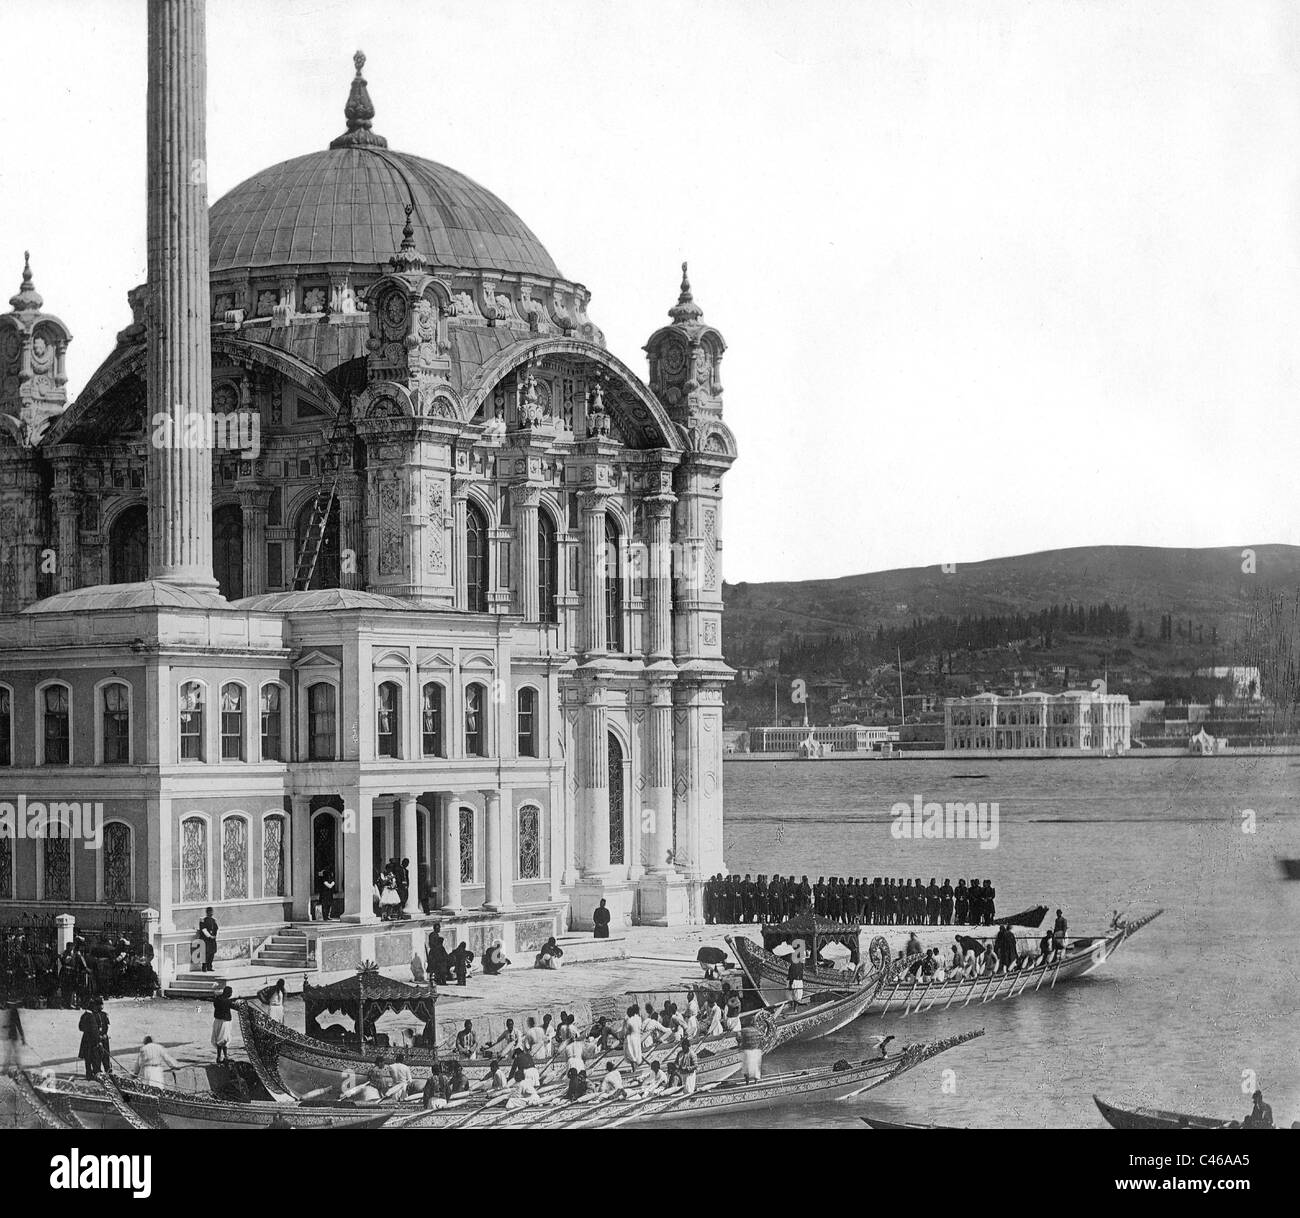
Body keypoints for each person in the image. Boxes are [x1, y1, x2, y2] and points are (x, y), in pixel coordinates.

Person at [77, 1001, 103, 1078]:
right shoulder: (91, 1016)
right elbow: (94, 1030)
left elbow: (80, 1027)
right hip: (92, 1041)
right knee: (95, 1057)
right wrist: (99, 1041)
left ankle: (88, 1074)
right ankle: (96, 1073)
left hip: (85, 1039)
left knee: (87, 1058)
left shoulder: (84, 1015)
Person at [211, 986, 235, 1064]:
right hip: (225, 1022)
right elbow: (234, 1006)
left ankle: (219, 1057)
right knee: (224, 1040)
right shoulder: (227, 1001)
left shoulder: (217, 999)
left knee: (218, 1039)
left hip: (217, 1021)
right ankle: (225, 1057)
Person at [739, 1019, 764, 1083]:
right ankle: (756, 1082)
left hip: (746, 1051)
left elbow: (738, 1037)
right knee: (756, 1067)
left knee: (746, 1068)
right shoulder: (757, 1031)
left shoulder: (743, 1031)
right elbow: (761, 1039)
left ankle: (747, 1082)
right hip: (756, 1050)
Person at [198, 907, 219, 972]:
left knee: (212, 953)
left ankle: (209, 966)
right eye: (209, 912)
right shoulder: (203, 920)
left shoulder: (214, 920)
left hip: (212, 940)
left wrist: (215, 936)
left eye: (212, 911)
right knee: (205, 953)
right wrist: (209, 936)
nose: (211, 913)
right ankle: (204, 967)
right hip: (206, 940)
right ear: (207, 912)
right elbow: (203, 929)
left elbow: (217, 929)